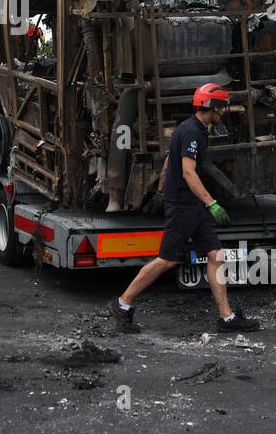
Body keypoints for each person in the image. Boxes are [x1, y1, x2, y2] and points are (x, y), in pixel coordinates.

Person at [111, 82, 260, 334]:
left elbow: (170, 159)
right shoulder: (192, 132)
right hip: (183, 205)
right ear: (211, 106)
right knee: (167, 260)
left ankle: (227, 317)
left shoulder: (195, 129)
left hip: (192, 206)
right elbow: (188, 173)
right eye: (221, 107)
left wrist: (160, 188)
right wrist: (211, 203)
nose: (223, 111)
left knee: (216, 255)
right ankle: (122, 304)